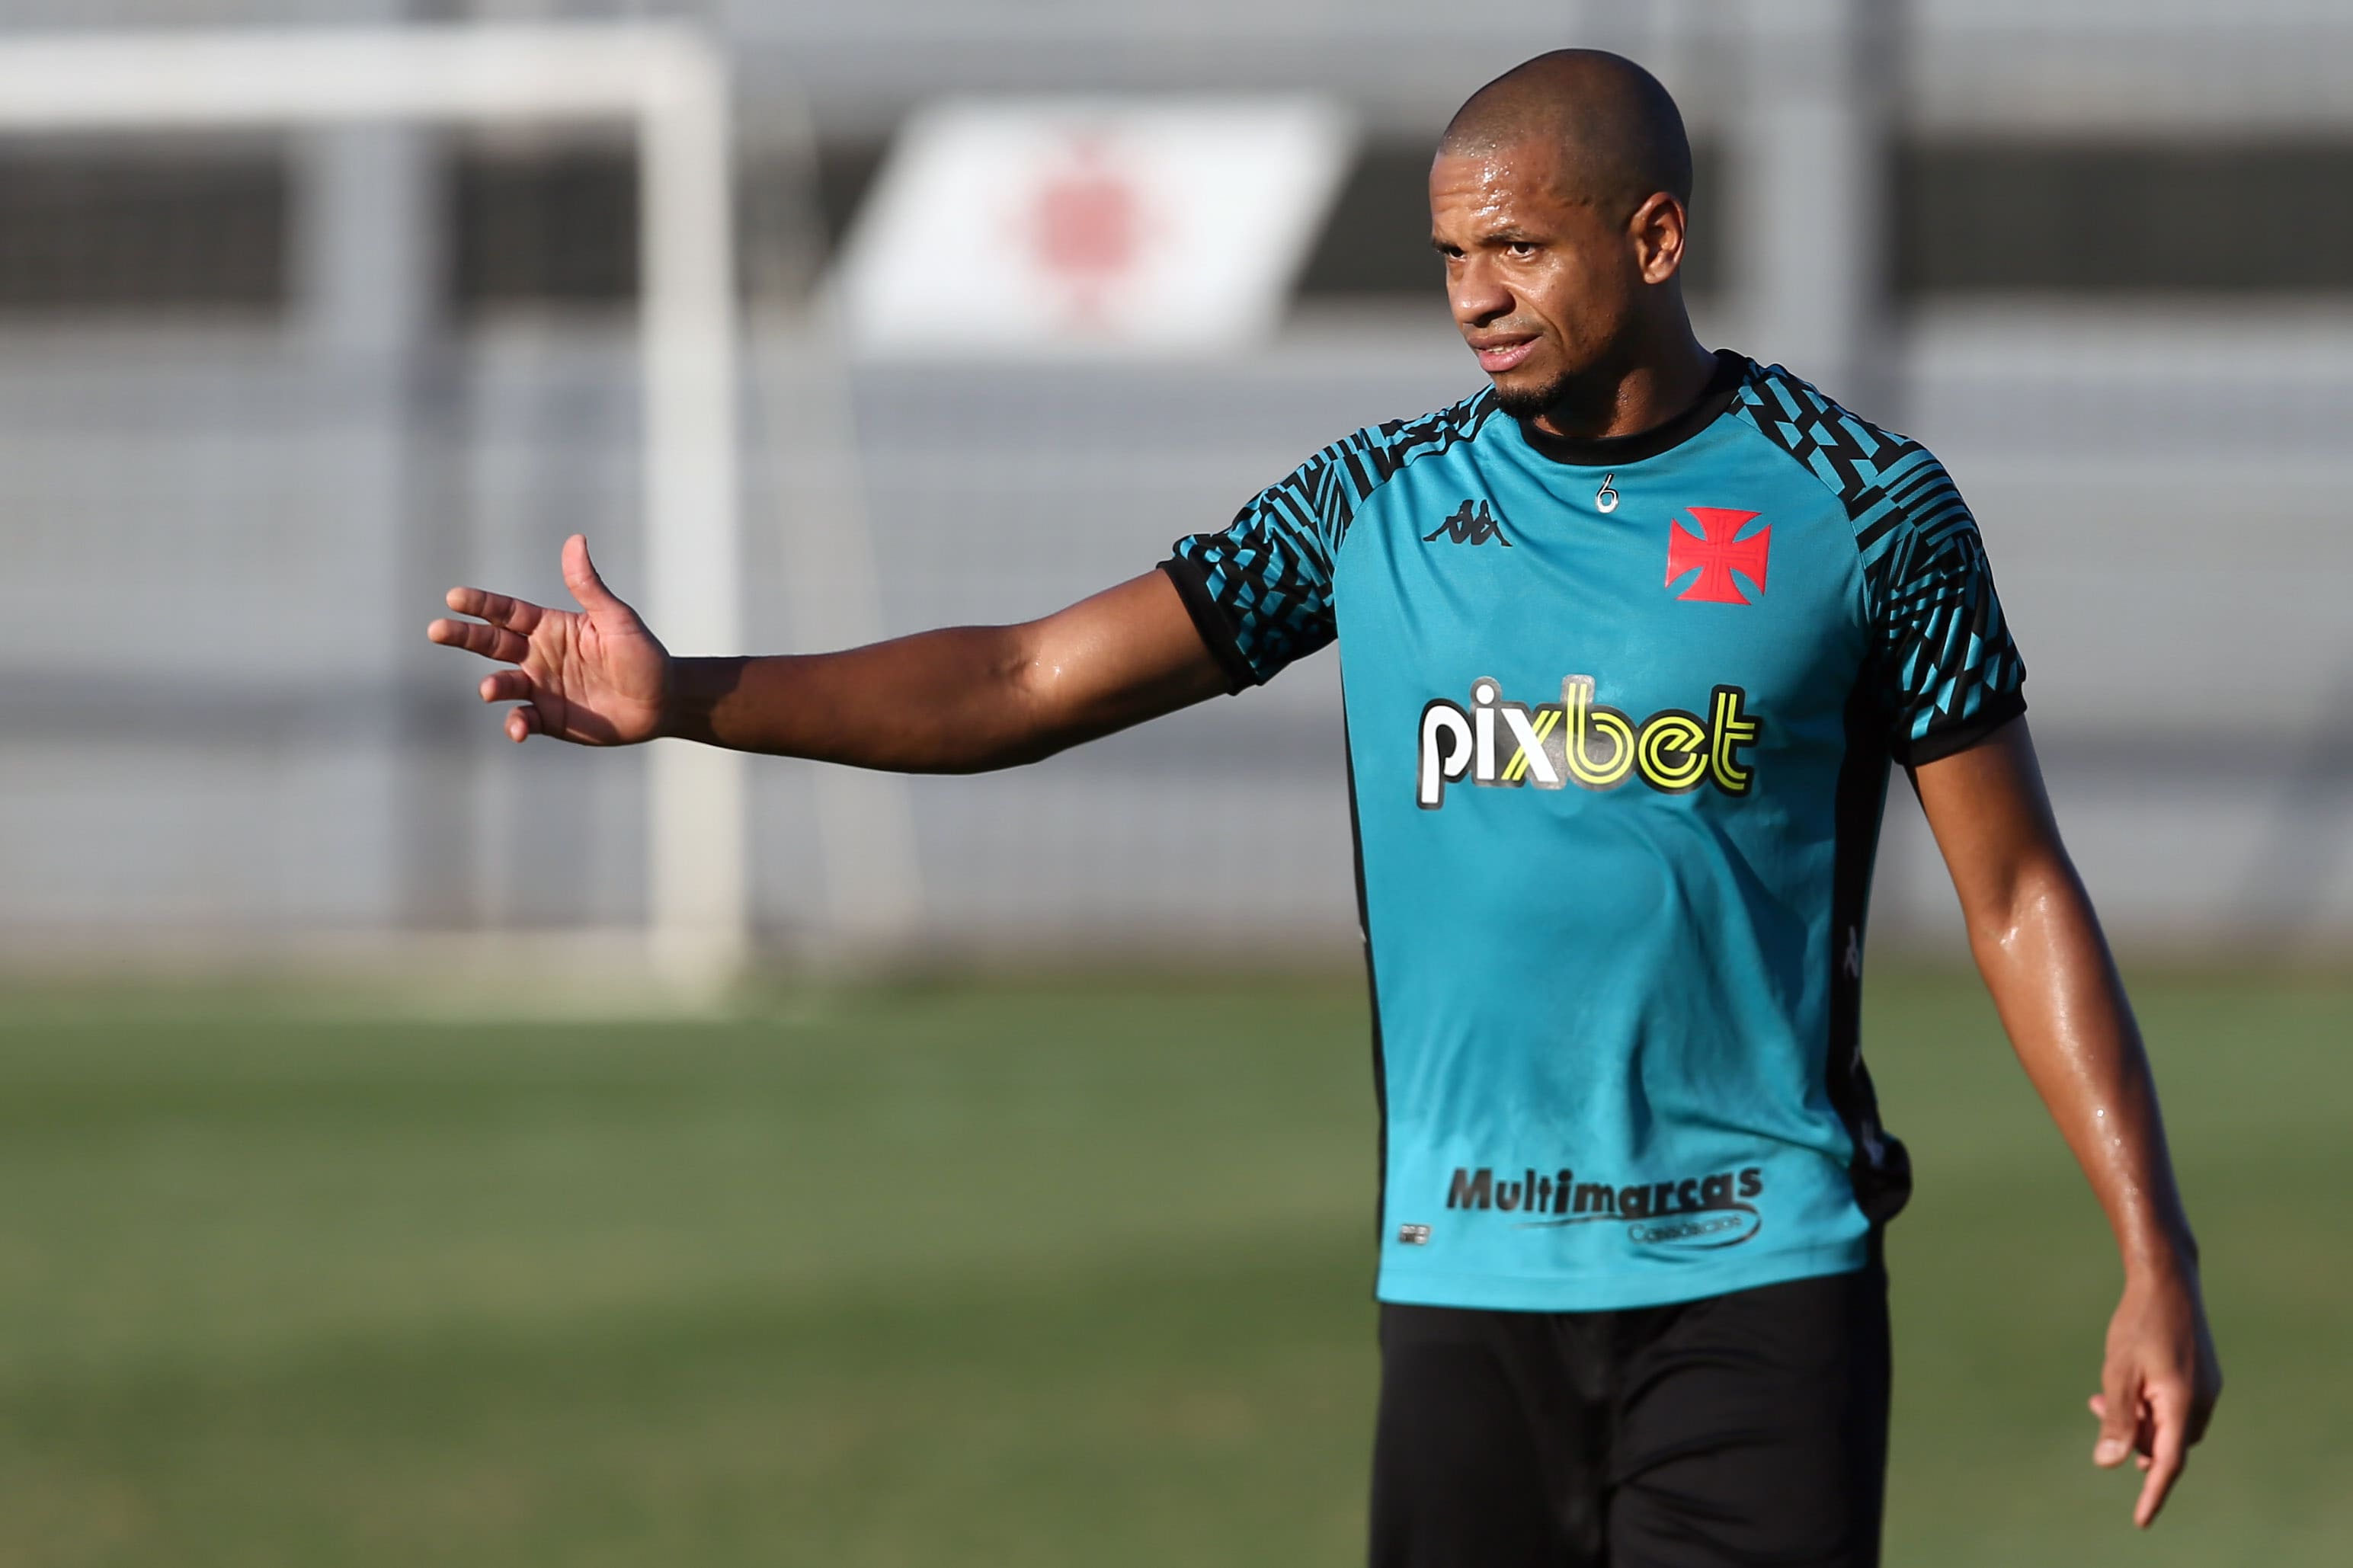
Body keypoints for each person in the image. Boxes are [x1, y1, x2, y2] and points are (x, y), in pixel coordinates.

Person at [427, 48, 2220, 1568]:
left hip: (1757, 1281)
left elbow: (2012, 892)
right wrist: (688, 697)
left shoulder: (1865, 510)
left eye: (1516, 247)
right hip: (1461, 1281)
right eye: (1449, 255)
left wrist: (2151, 1253)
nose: (1473, 297)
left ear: (1654, 238)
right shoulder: (1374, 504)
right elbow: (1027, 680)